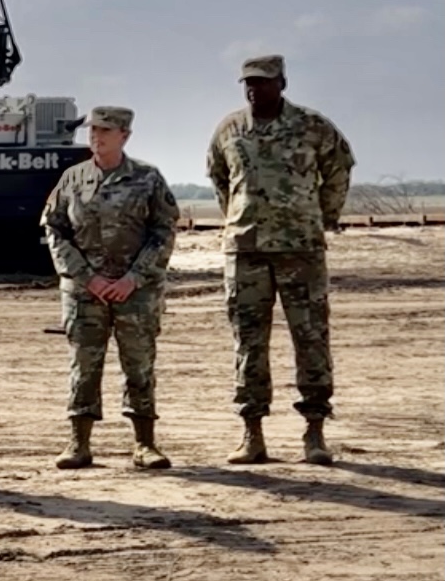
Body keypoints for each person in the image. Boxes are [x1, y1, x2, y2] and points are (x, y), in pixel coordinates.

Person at [206, 54, 354, 465]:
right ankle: (252, 433)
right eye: (249, 83)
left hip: (301, 250)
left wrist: (323, 216)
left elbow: (340, 167)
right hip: (246, 252)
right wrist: (237, 217)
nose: (255, 89)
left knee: (310, 339)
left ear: (282, 84)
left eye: (264, 82)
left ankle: (315, 431)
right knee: (249, 345)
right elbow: (219, 178)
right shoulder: (229, 129)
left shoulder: (312, 126)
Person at [40, 106, 180, 470]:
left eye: (105, 130)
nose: (96, 136)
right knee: (84, 366)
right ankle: (78, 443)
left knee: (139, 365)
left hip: (136, 292)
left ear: (125, 136)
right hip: (85, 293)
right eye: (92, 129)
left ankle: (145, 444)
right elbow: (54, 231)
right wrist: (89, 278)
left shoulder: (148, 179)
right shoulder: (72, 179)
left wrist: (133, 278)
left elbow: (163, 232)